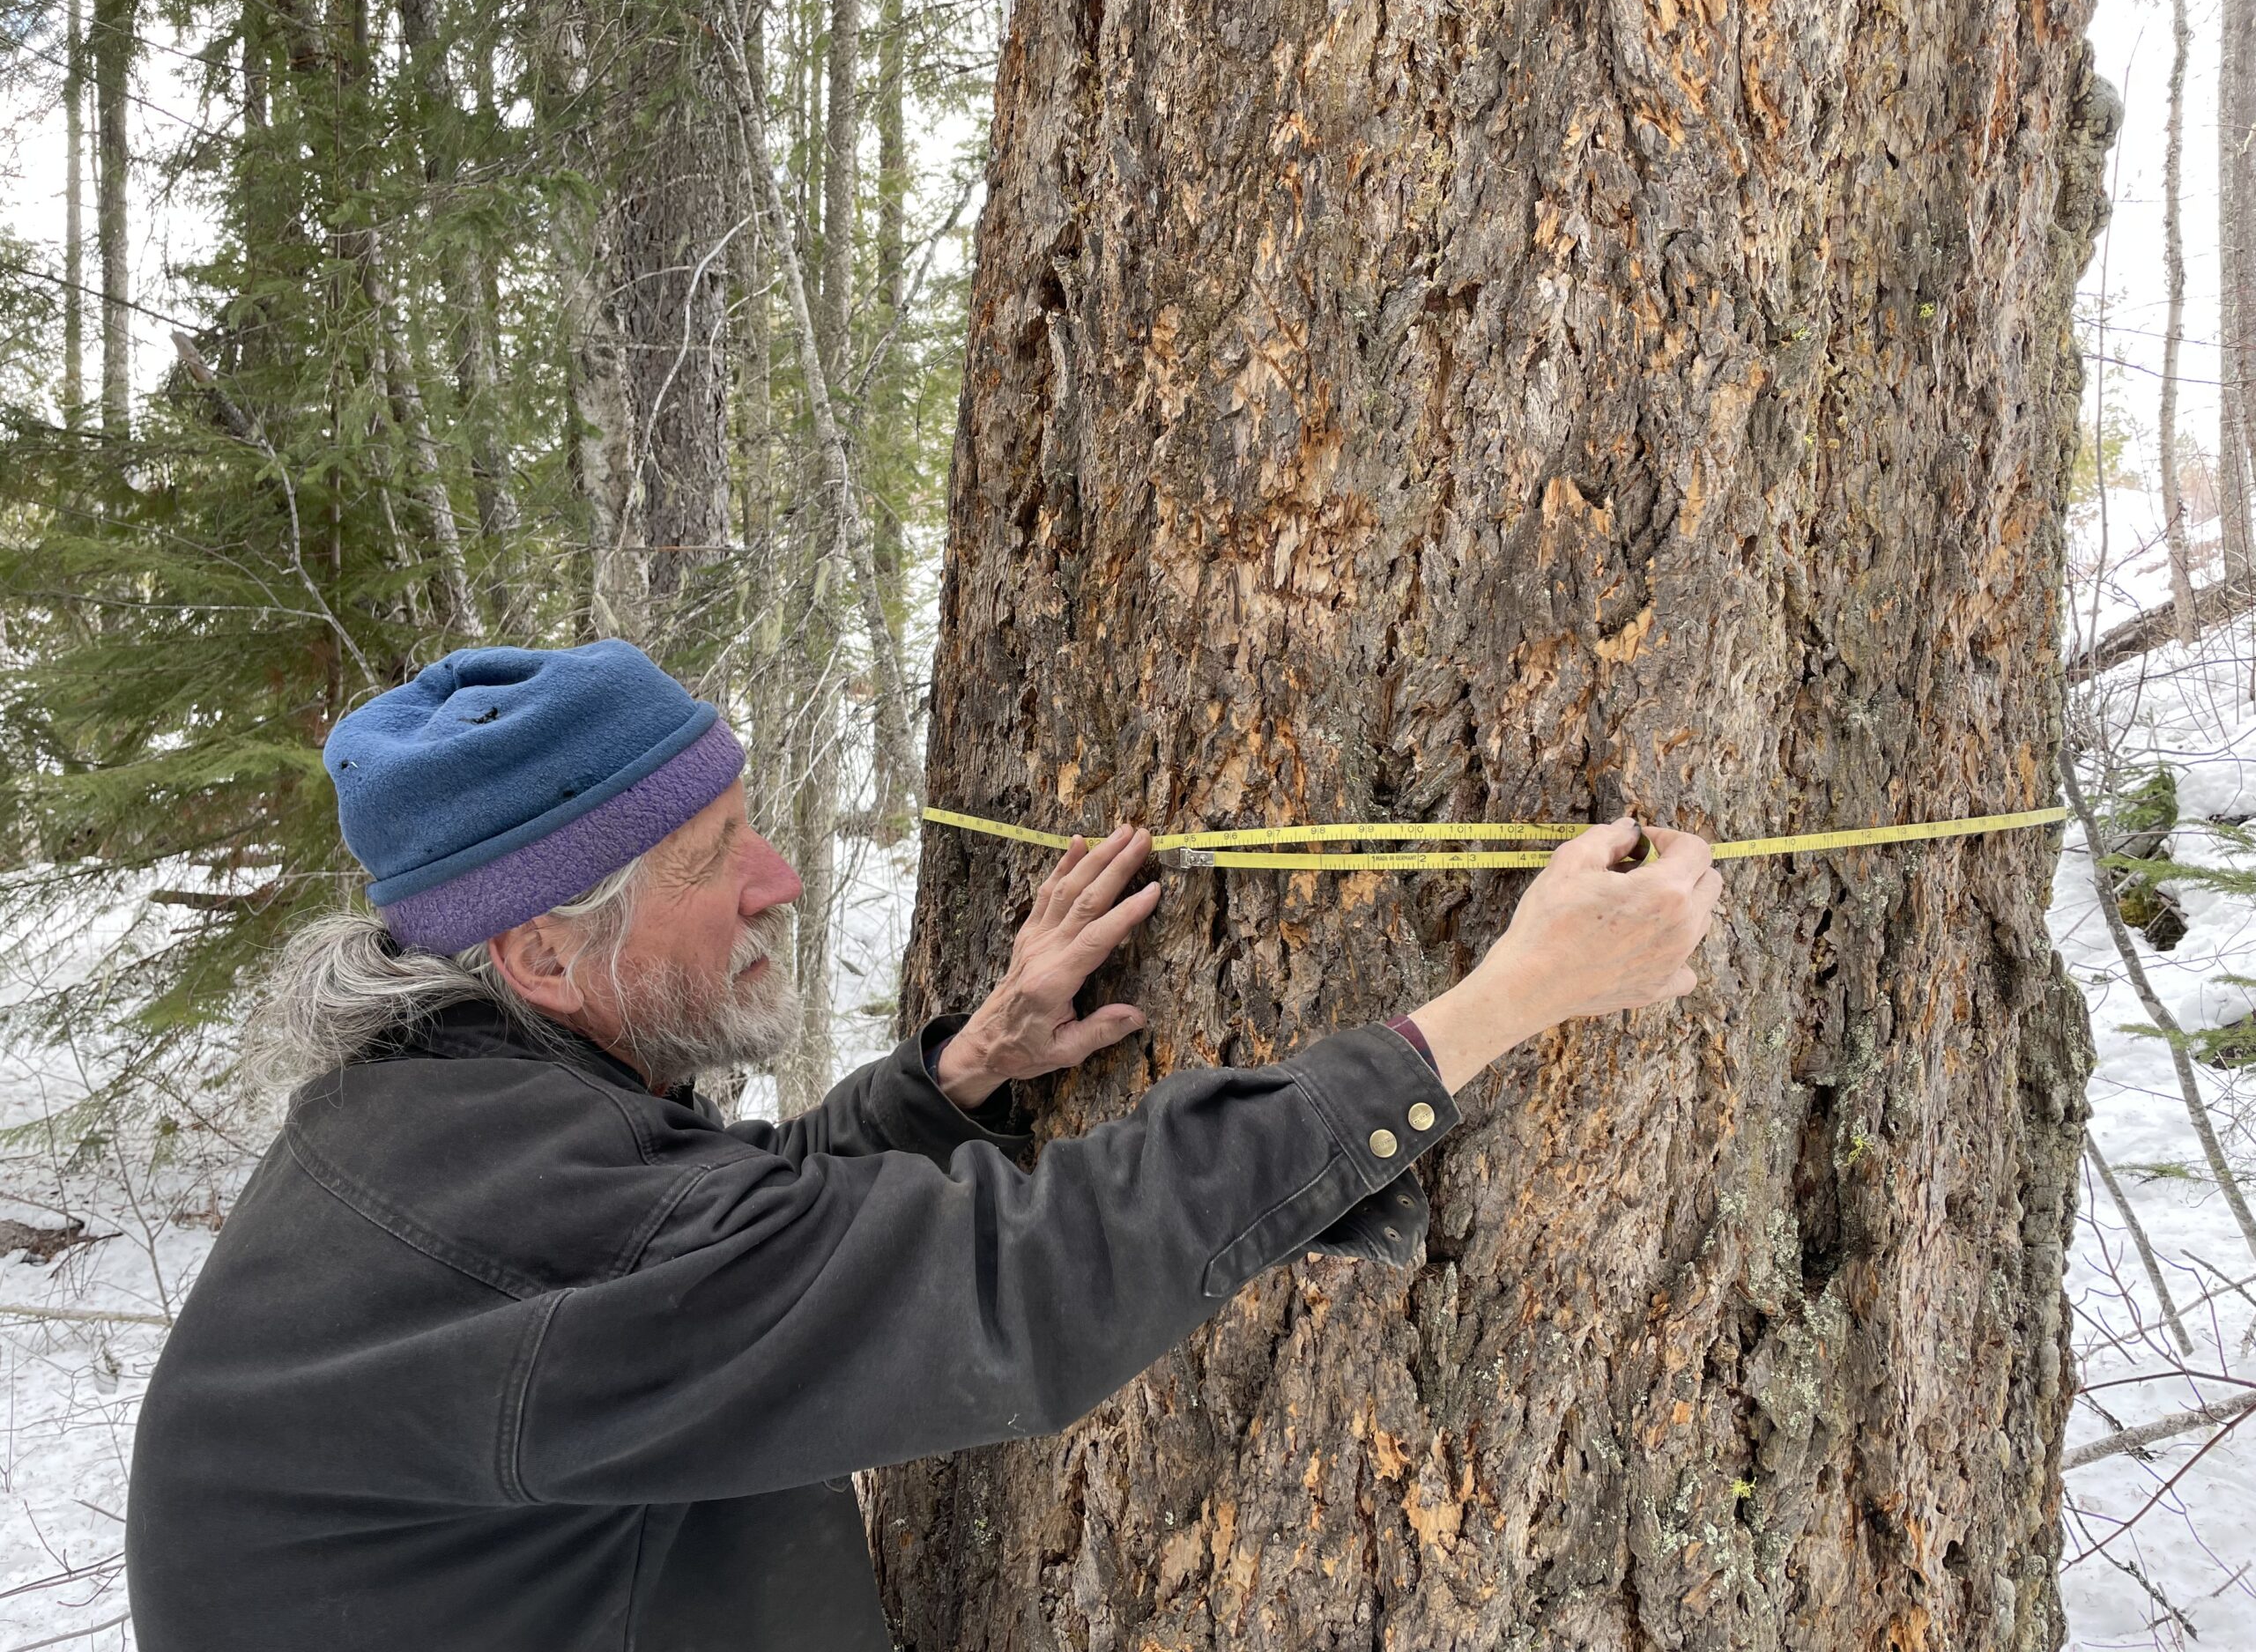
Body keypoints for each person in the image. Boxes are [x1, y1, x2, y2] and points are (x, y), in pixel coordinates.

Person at [122, 639, 1721, 1650]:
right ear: (543, 953)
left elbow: (702, 1259)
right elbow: (1008, 1293)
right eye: (712, 857)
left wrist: (955, 1077)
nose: (781, 880)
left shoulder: (444, 1125)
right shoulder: (494, 1212)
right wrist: (1506, 1003)